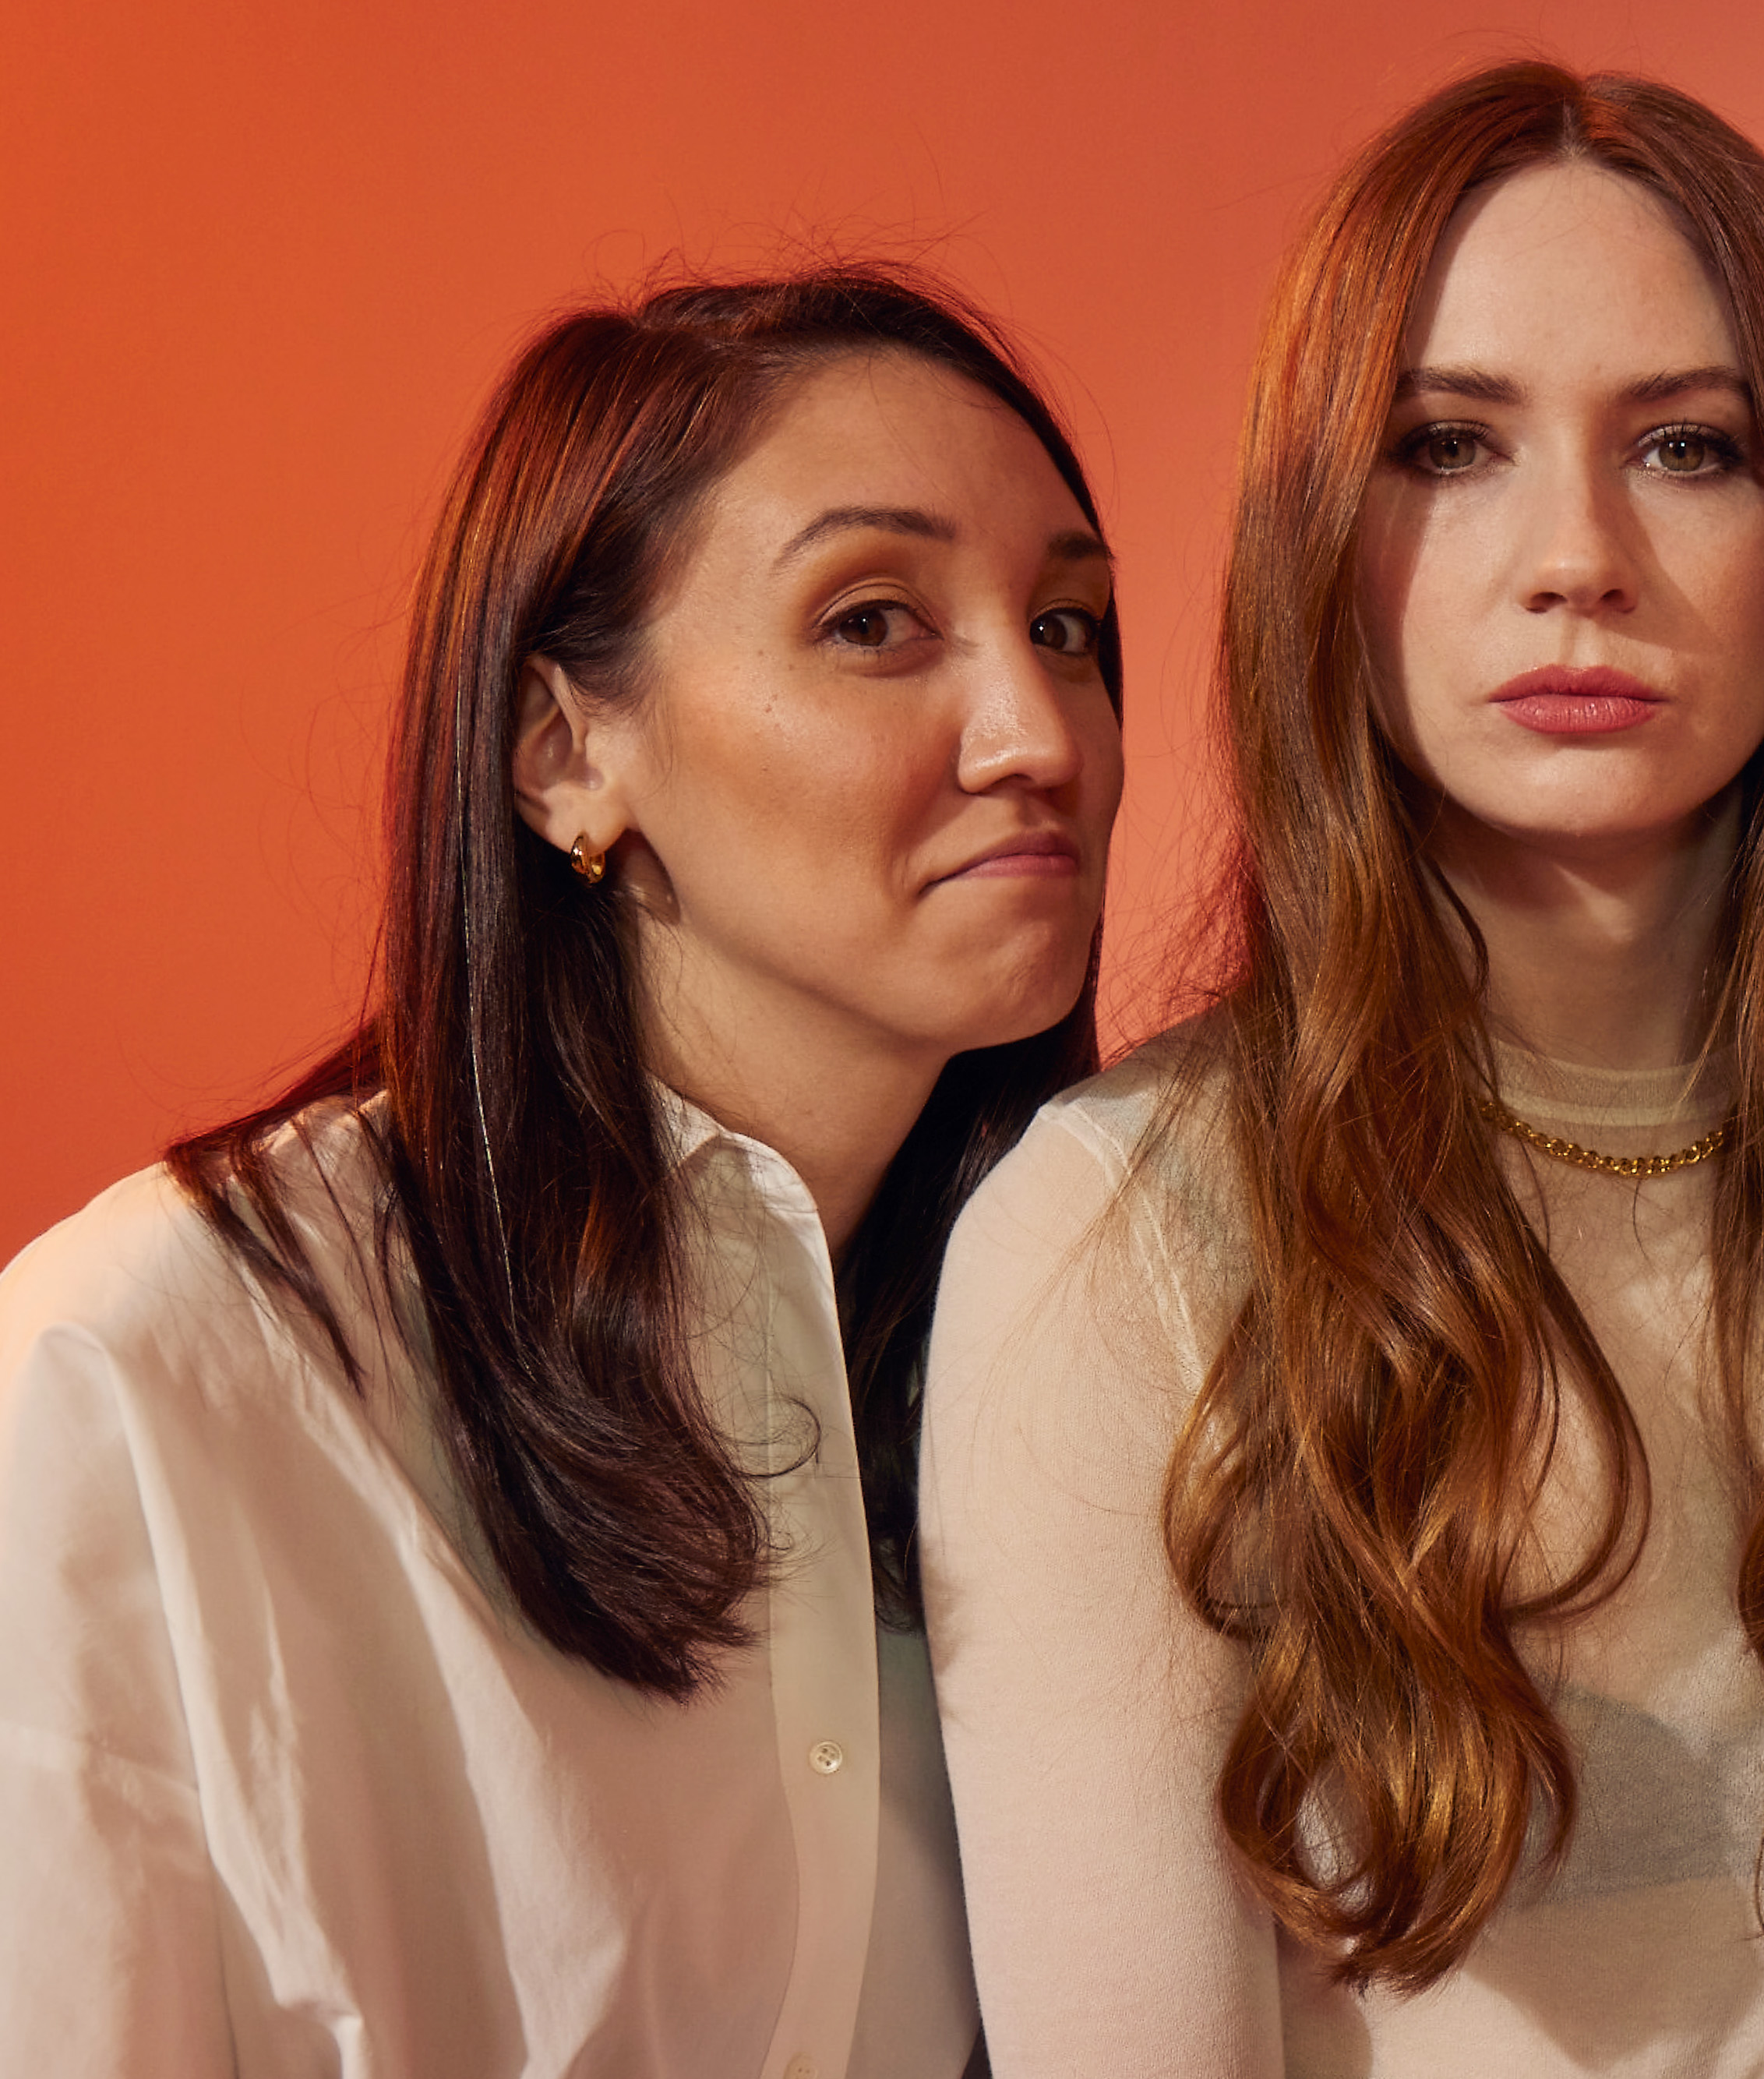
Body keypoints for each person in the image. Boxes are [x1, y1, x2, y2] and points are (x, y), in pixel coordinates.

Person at [923, 62, 1764, 2078]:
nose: (1578, 554)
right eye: (1451, 445)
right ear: (1326, 532)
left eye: (1689, 446)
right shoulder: (1112, 1235)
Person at [0, 264, 1124, 2077]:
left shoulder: (1071, 1367)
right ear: (563, 752)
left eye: (1068, 627)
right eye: (874, 620)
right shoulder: (134, 1382)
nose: (1039, 736)